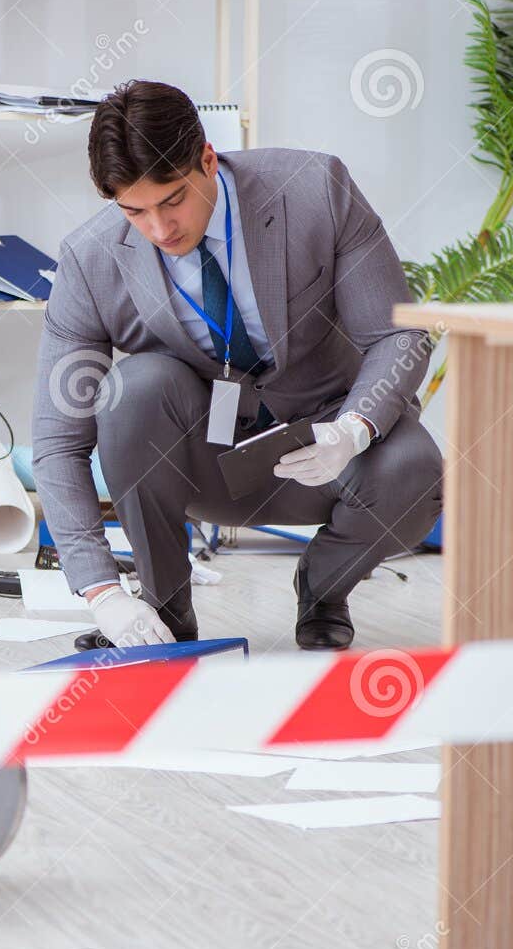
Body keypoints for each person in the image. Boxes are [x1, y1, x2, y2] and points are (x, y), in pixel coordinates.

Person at [32, 80, 443, 651]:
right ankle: (164, 608)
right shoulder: (90, 260)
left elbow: (398, 335)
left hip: (327, 445)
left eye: (172, 200)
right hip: (205, 459)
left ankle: (323, 588)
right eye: (134, 211)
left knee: (416, 468)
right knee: (134, 388)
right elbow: (58, 442)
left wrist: (352, 429)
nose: (160, 229)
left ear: (207, 158)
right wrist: (101, 591)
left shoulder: (315, 190)